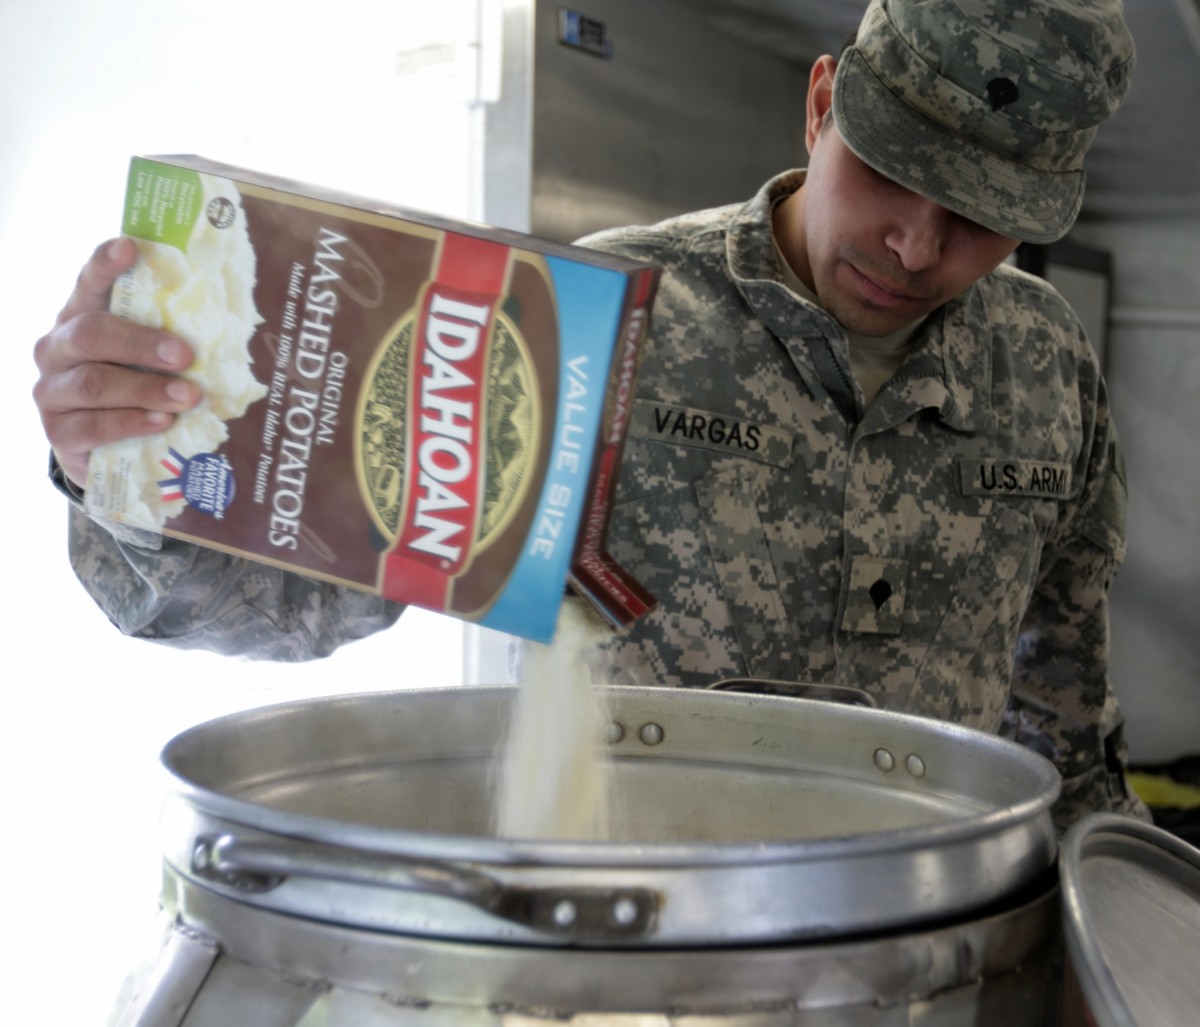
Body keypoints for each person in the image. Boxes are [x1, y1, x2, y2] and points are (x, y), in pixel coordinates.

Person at [33, 0, 1147, 831]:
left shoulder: (1045, 368)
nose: (915, 245)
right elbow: (290, 600)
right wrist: (130, 463)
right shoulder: (590, 322)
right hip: (630, 955)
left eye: (976, 218)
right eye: (887, 175)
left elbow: (1064, 726)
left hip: (929, 952)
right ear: (819, 106)